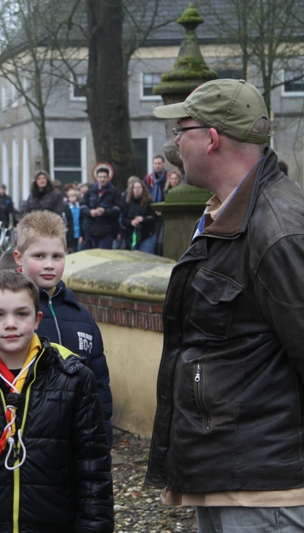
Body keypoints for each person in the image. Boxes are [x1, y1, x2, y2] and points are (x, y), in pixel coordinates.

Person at [145, 79, 304, 532]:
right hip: (228, 477)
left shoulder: (278, 230)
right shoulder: (225, 215)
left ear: (211, 138)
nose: (175, 141)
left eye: (181, 129)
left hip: (265, 491)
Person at [0, 269, 113, 532]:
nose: (10, 324)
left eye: (21, 313)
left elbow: (92, 470)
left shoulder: (74, 380)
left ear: (37, 319)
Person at [0, 210, 113, 445]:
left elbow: (100, 385)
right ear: (18, 257)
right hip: (16, 439)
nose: (49, 265)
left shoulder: (82, 318)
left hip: (74, 440)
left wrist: (101, 438)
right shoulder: (0, 314)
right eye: (39, 256)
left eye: (57, 256)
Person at [80, 167, 122, 249]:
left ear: (108, 178)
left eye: (104, 177)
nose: (102, 179)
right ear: (97, 178)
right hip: (91, 230)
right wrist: (90, 212)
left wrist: (104, 212)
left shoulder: (114, 192)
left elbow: (118, 209)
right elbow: (82, 207)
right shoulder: (90, 192)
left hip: (108, 230)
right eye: (100, 177)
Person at [122, 180, 158, 253]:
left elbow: (154, 218)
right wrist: (131, 222)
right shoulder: (128, 202)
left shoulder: (149, 202)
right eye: (135, 188)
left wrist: (143, 219)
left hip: (147, 234)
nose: (137, 190)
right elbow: (123, 219)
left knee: (146, 257)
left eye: (139, 187)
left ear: (143, 189)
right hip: (132, 235)